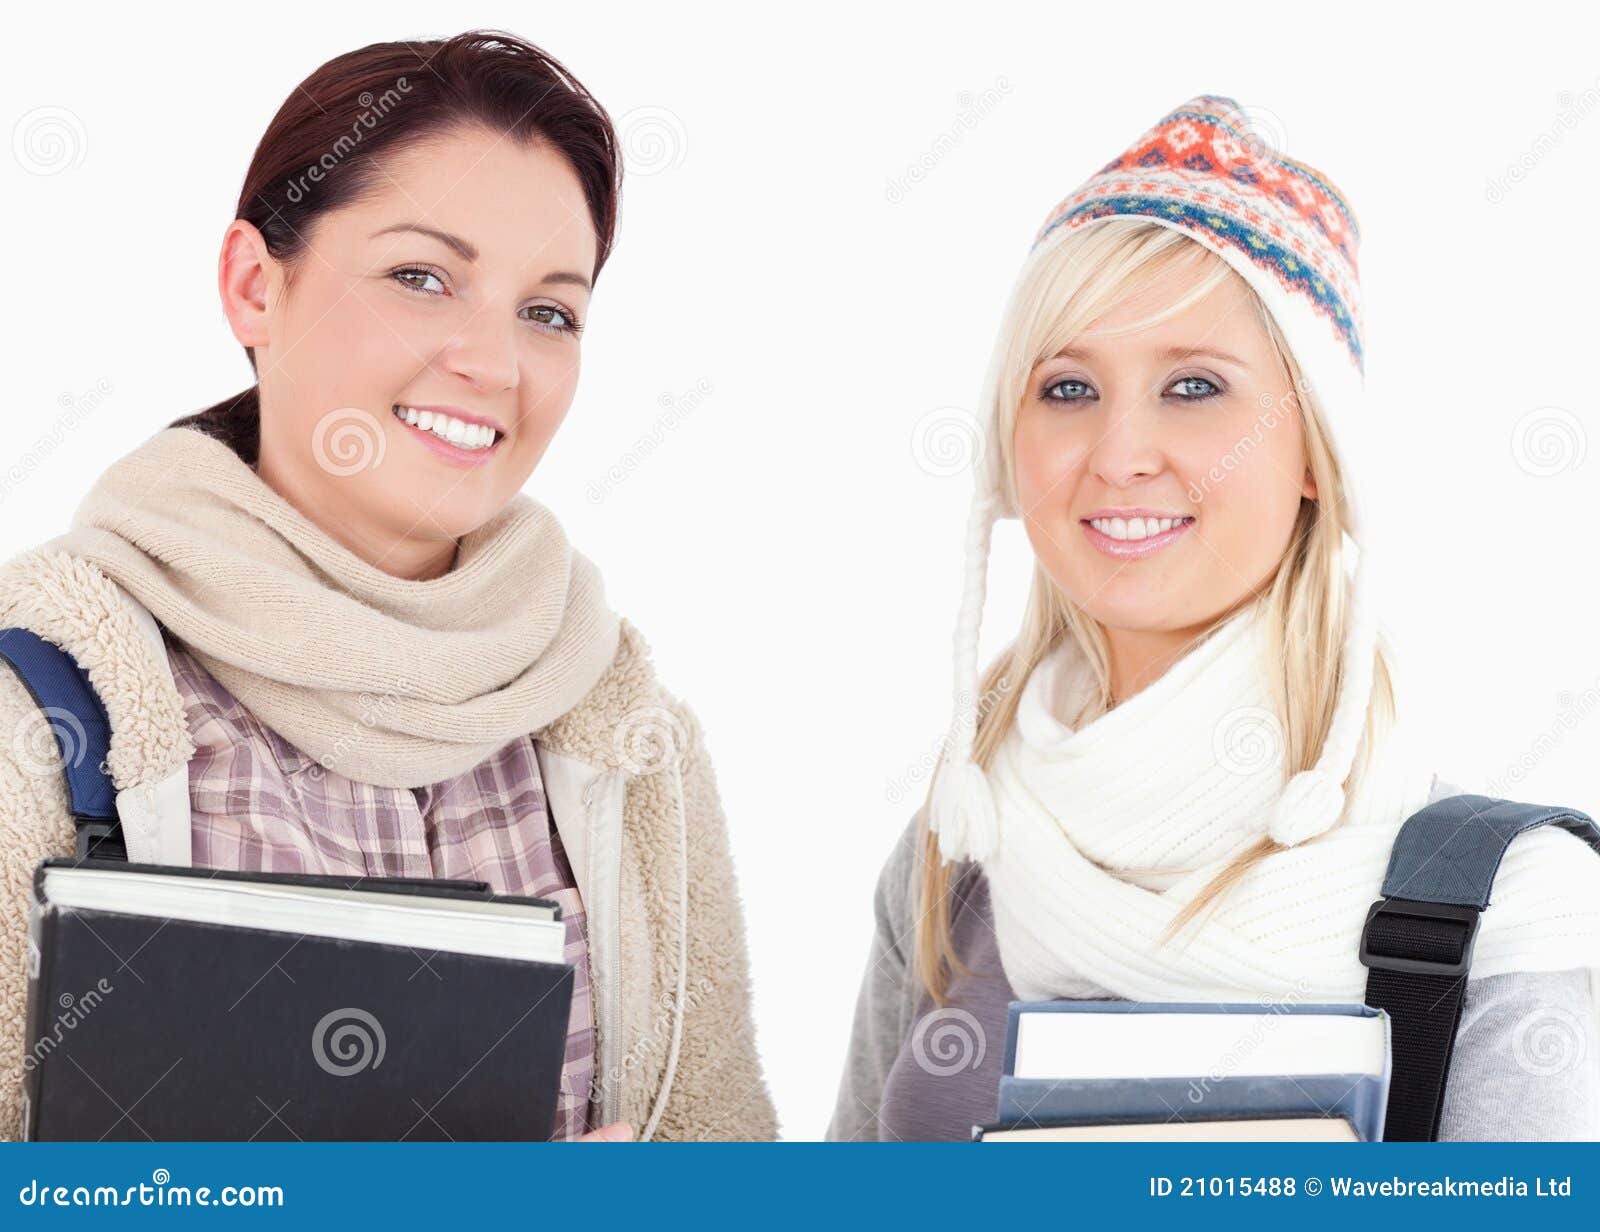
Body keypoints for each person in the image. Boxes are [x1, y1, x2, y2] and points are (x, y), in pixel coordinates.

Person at [0, 29, 776, 1142]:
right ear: (253, 287)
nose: (494, 362)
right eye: (421, 277)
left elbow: (723, 1153)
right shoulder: (45, 699)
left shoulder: (626, 737)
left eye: (547, 310)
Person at [828, 95, 1600, 1142]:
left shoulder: (1507, 906)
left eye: (1193, 384)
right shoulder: (956, 863)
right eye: (1065, 387)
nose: (1117, 452)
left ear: (1317, 455)